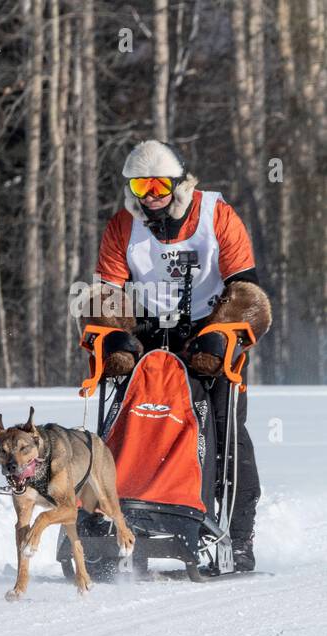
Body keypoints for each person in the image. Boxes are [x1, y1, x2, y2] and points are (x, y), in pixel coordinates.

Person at [86, 140, 271, 571]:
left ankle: (237, 536)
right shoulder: (121, 226)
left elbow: (247, 289)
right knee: (131, 424)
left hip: (211, 334)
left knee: (226, 432)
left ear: (179, 184)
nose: (150, 194)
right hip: (149, 338)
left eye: (159, 184)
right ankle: (122, 520)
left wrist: (222, 335)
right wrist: (114, 340)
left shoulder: (217, 215)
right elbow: (107, 294)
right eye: (140, 184)